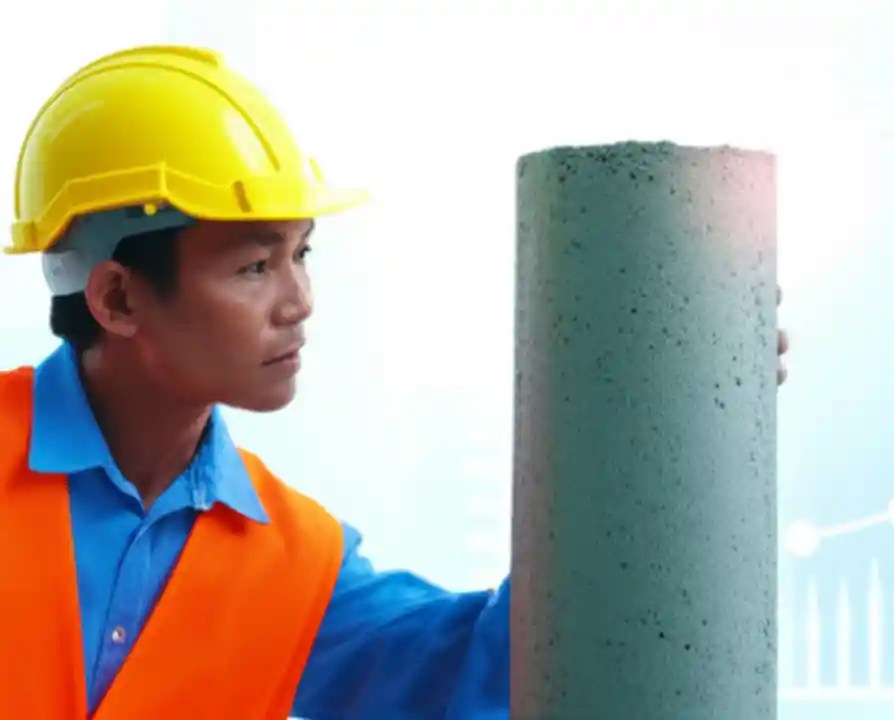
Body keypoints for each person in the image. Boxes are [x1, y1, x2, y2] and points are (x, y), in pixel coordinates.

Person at [0, 45, 789, 719]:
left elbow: (486, 672)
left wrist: (659, 410)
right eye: (252, 266)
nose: (299, 301)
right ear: (117, 297)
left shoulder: (292, 563)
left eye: (300, 254)